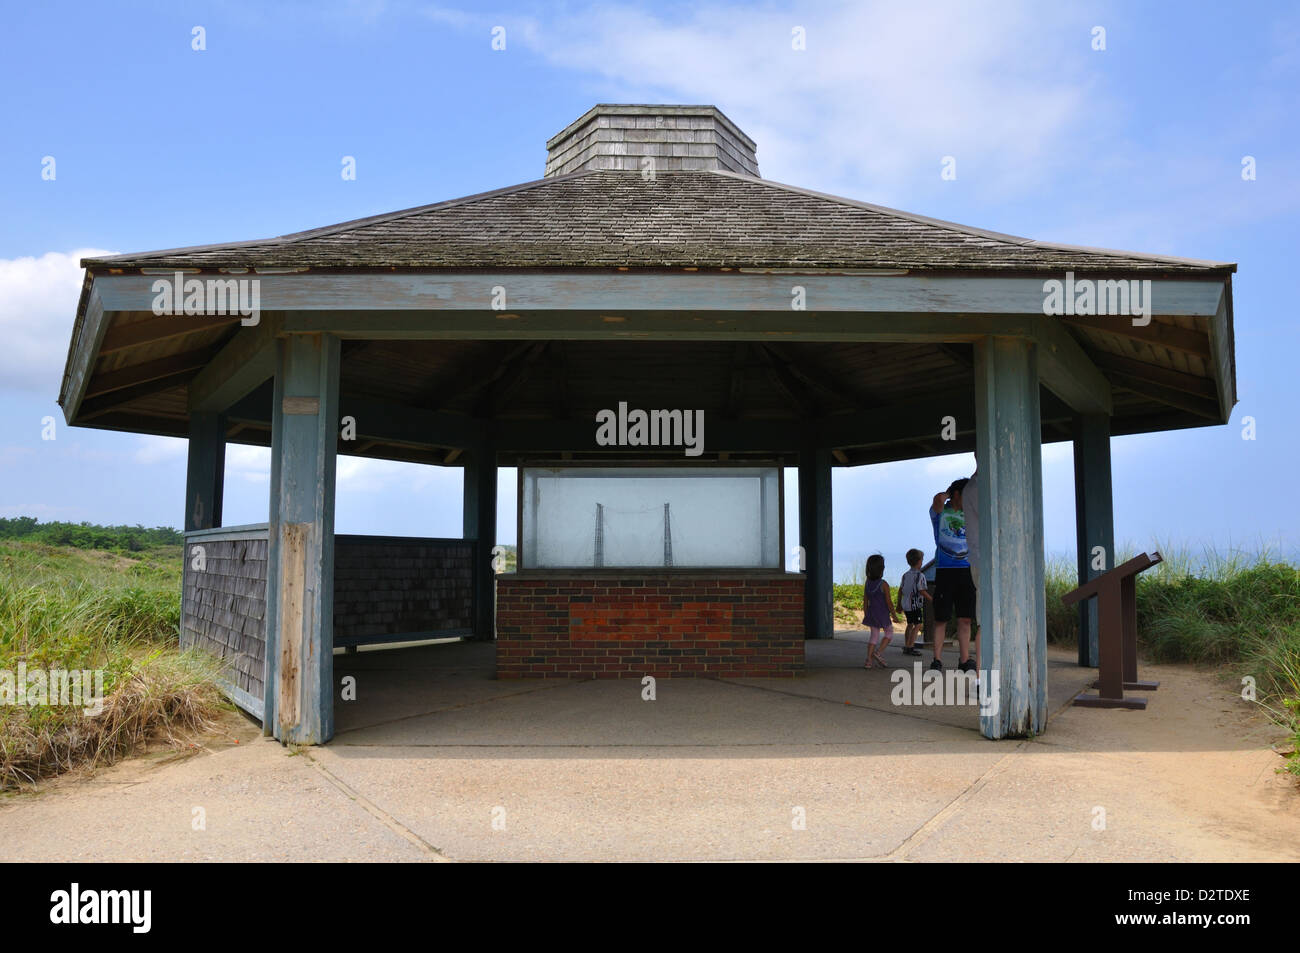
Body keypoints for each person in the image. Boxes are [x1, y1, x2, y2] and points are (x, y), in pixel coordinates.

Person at [928, 479, 977, 674]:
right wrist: (950, 492)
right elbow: (938, 499)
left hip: (967, 570)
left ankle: (964, 660)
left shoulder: (971, 513)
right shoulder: (941, 513)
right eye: (965, 494)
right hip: (945, 570)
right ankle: (937, 660)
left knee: (965, 619)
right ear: (957, 494)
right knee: (941, 618)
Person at [861, 554, 895, 669]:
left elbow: (865, 601)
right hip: (883, 614)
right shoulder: (883, 584)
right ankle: (878, 653)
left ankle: (868, 661)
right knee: (889, 633)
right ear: (881, 569)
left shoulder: (867, 583)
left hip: (872, 613)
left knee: (874, 636)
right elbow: (889, 603)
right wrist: (894, 615)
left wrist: (866, 614)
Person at [896, 548, 931, 656]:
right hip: (915, 605)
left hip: (906, 604)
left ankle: (907, 645)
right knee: (918, 624)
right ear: (920, 561)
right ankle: (910, 647)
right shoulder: (920, 576)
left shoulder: (905, 575)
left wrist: (899, 604)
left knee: (910, 624)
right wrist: (931, 599)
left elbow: (900, 590)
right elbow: (921, 590)